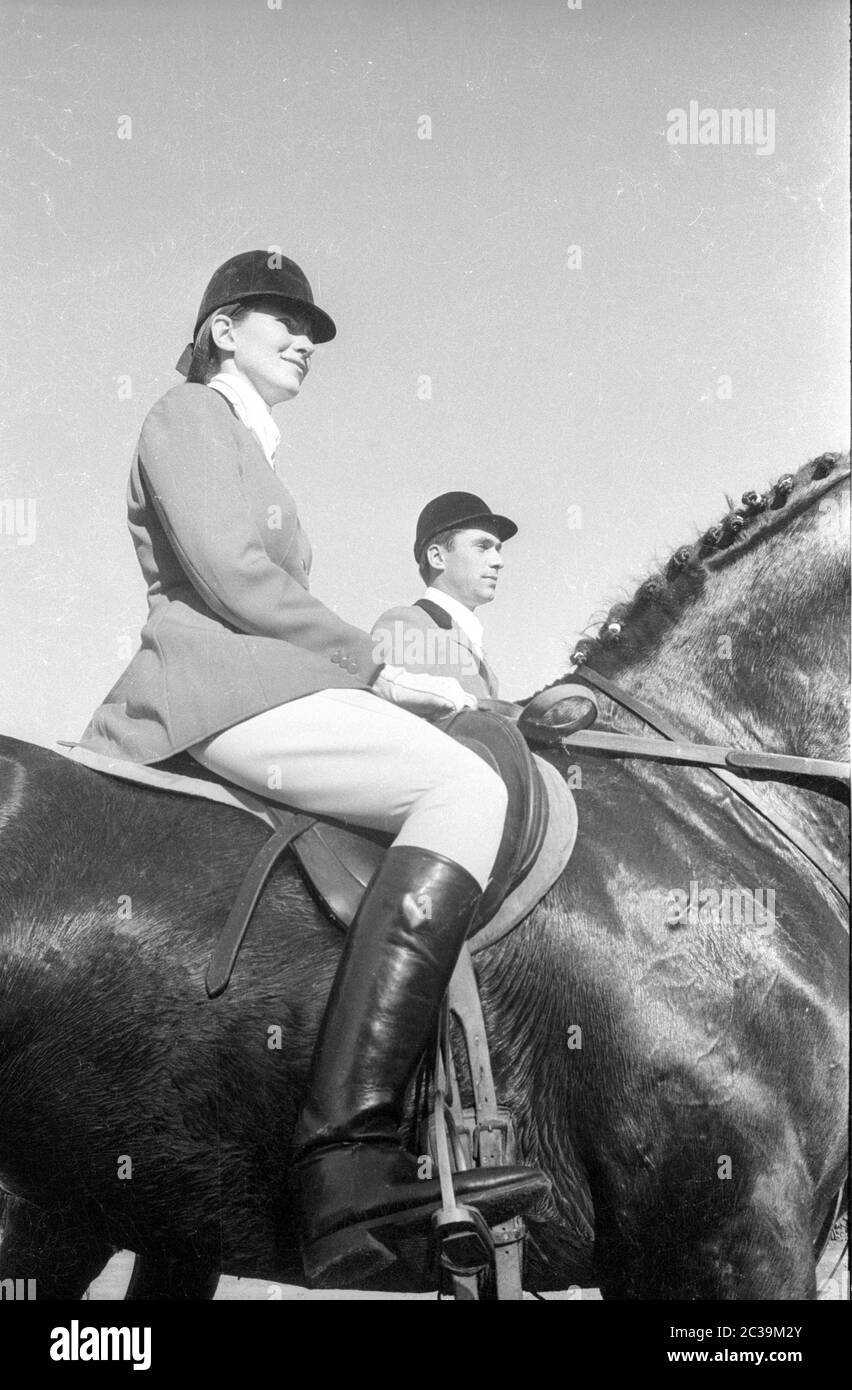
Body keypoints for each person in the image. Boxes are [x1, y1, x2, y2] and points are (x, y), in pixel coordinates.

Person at [78, 251, 547, 1288]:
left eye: (311, 328)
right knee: (463, 789)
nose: (303, 339)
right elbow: (237, 581)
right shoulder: (187, 413)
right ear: (221, 330)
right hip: (218, 687)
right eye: (280, 320)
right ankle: (342, 1151)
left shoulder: (252, 442)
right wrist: (376, 663)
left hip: (264, 682)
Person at [372, 492, 517, 702]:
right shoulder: (406, 624)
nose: (498, 561)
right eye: (482, 547)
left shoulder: (469, 643)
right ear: (438, 557)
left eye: (497, 549)